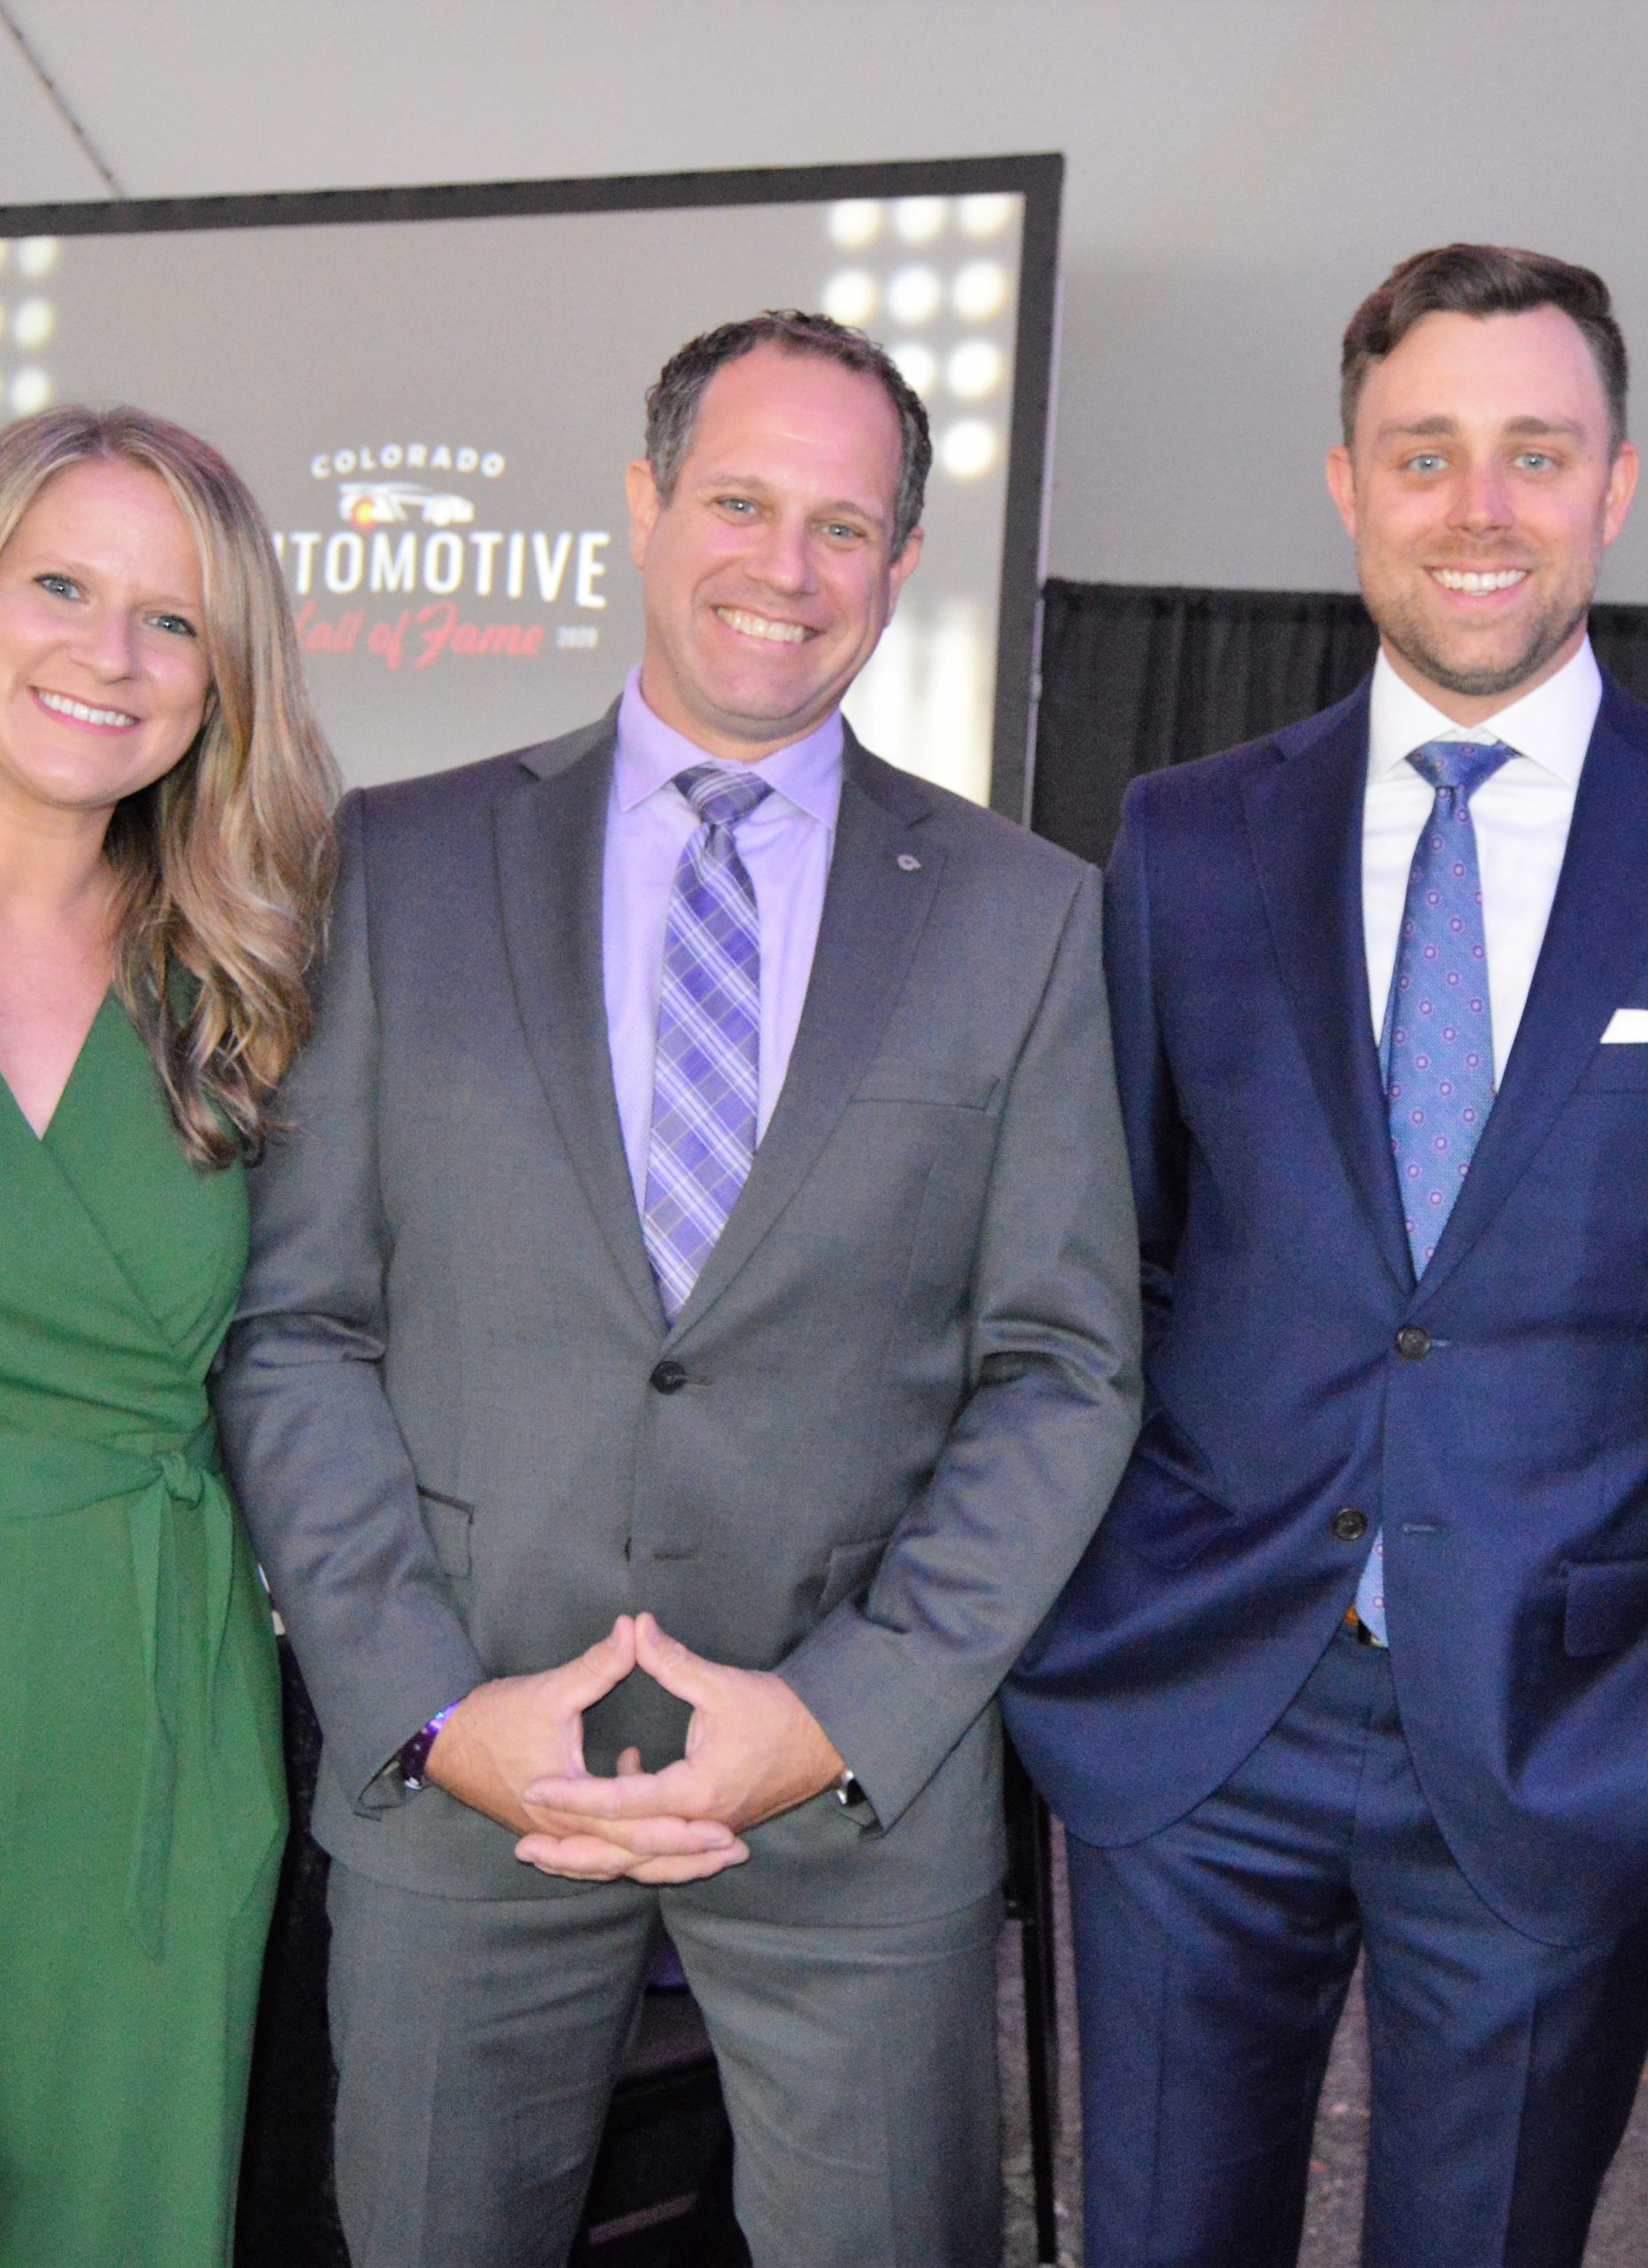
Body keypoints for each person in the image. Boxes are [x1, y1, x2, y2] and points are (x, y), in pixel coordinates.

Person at [214, 313, 1140, 2268]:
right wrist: (426, 1704)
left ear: (899, 567)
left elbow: (1060, 1370)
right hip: (467, 1781)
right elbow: (300, 1328)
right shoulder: (394, 860)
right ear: (642, 509)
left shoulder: (1023, 914)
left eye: (841, 525)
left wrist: (838, 1711)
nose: (781, 566)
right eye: (737, 500)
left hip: (845, 1800)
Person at [1007, 242, 1648, 2267]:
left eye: (1531, 450)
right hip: (1189, 1731)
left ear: (1615, 484)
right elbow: (1092, 1275)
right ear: (1344, 485)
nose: (1475, 506)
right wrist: (1079, 1635)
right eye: (1423, 452)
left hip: (1566, 1742)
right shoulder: (1183, 835)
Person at [0, 405, 336, 2266]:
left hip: (141, 1720)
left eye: (173, 619)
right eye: (58, 581)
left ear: (226, 679)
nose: (105, 655)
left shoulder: (266, 973)